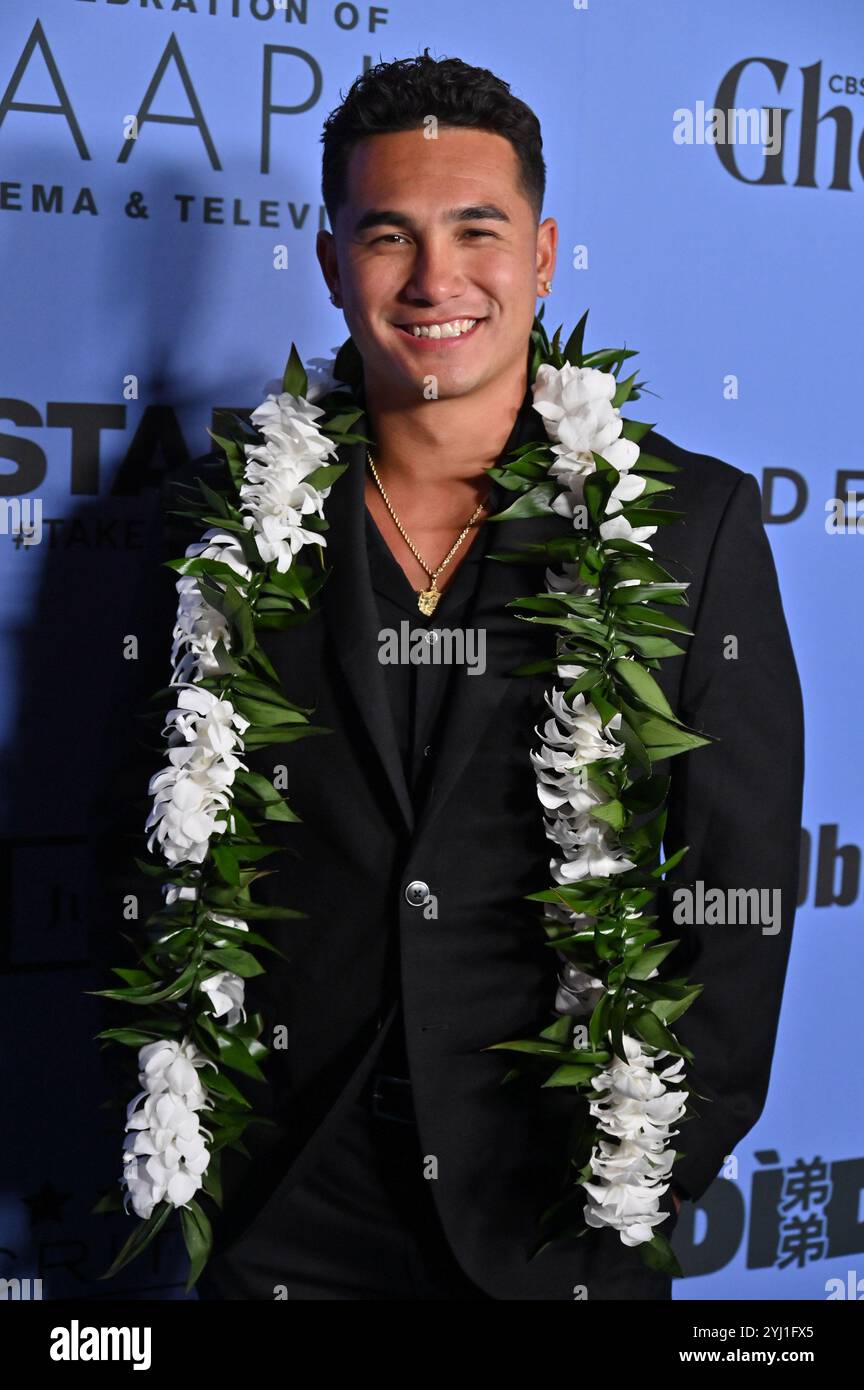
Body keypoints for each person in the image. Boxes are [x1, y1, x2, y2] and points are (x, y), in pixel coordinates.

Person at [131, 52, 804, 1300]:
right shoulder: (223, 522)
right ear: (336, 269)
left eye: (476, 230)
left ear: (542, 257)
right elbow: (171, 847)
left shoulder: (690, 522)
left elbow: (740, 886)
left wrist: (639, 1171)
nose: (436, 280)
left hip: (552, 1212)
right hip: (289, 1198)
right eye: (388, 237)